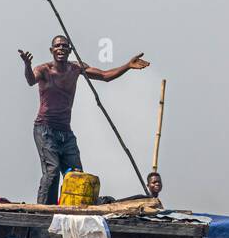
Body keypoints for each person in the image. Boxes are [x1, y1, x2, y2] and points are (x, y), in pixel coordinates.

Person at [19, 35, 150, 204]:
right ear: (52, 50)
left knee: (76, 173)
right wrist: (27, 65)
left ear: (70, 50)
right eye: (57, 46)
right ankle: (45, 209)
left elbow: (104, 76)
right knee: (52, 171)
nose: (61, 48)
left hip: (66, 131)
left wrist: (128, 66)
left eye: (64, 46)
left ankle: (71, 205)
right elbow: (31, 80)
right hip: (45, 129)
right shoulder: (44, 69)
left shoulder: (76, 68)